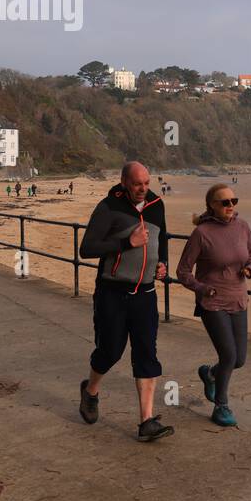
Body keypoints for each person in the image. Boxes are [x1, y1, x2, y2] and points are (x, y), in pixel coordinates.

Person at [77, 162, 173, 442]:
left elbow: (162, 238)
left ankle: (146, 421)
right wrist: (126, 243)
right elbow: (87, 249)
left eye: (146, 183)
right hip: (112, 293)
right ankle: (91, 391)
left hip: (145, 293)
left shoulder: (156, 204)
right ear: (123, 183)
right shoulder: (108, 207)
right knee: (110, 350)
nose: (143, 189)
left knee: (146, 353)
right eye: (136, 184)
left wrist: (162, 263)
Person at [175, 184, 251, 426]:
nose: (231, 205)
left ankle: (210, 374)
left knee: (239, 359)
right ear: (211, 205)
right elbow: (183, 271)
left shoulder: (243, 227)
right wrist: (201, 288)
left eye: (234, 200)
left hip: (238, 298)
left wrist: (250, 268)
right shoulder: (202, 233)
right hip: (212, 301)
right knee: (229, 355)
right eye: (225, 202)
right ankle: (221, 406)